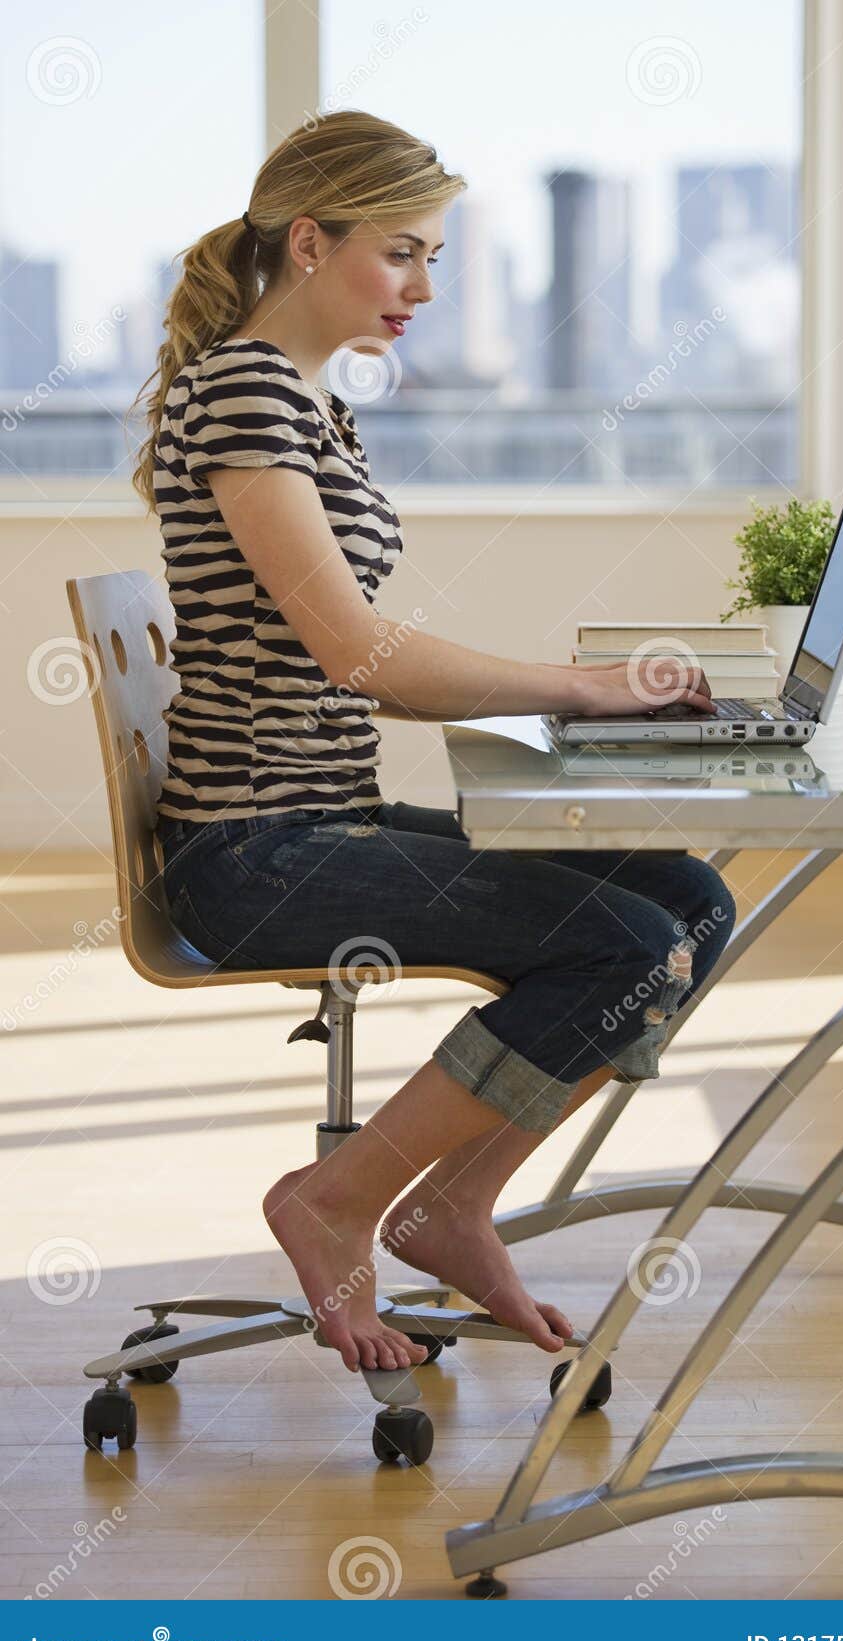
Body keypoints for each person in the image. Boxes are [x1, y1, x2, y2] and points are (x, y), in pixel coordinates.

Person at [132, 110, 736, 1377]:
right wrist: (580, 691)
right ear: (310, 242)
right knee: (625, 944)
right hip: (255, 854)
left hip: (315, 821)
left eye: (435, 257)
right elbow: (359, 653)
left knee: (687, 899)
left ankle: (453, 1204)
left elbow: (354, 657)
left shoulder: (304, 400)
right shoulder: (246, 392)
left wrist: (570, 703)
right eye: (401, 253)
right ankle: (335, 1199)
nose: (423, 286)